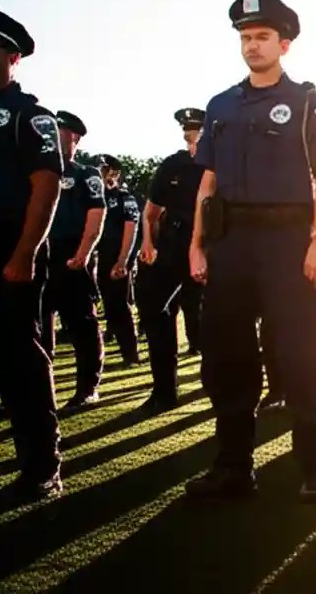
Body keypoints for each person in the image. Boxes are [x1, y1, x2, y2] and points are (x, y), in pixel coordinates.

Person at [185, 0, 316, 502]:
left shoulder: (307, 102)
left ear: (284, 44)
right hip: (230, 242)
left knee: (301, 355)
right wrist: (197, 245)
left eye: (262, 38)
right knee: (227, 359)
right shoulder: (220, 105)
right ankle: (233, 467)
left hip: (288, 241)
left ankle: (315, 466)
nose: (252, 46)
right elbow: (207, 181)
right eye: (245, 38)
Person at [0, 8, 64, 501]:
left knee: (18, 360)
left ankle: (42, 468)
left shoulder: (29, 115)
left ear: (12, 57)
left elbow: (45, 187)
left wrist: (25, 253)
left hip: (9, 248)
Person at [136, 107, 207, 413]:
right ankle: (164, 391)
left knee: (210, 319)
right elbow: (150, 212)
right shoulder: (172, 165)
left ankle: (216, 384)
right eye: (188, 135)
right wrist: (147, 242)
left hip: (210, 248)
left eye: (197, 134)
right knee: (155, 312)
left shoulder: (223, 164)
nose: (192, 139)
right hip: (173, 247)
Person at [42, 111, 107, 408]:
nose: (57, 137)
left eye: (64, 133)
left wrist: (83, 252)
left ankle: (88, 387)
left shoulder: (85, 173)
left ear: (75, 139)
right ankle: (40, 390)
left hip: (72, 254)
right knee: (37, 325)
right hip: (40, 253)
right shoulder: (38, 169)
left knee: (82, 324)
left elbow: (96, 214)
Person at [96, 154, 141, 366]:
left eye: (105, 171)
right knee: (109, 307)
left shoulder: (124, 198)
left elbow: (130, 230)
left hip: (117, 257)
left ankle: (130, 354)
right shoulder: (95, 196)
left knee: (120, 307)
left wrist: (123, 260)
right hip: (99, 257)